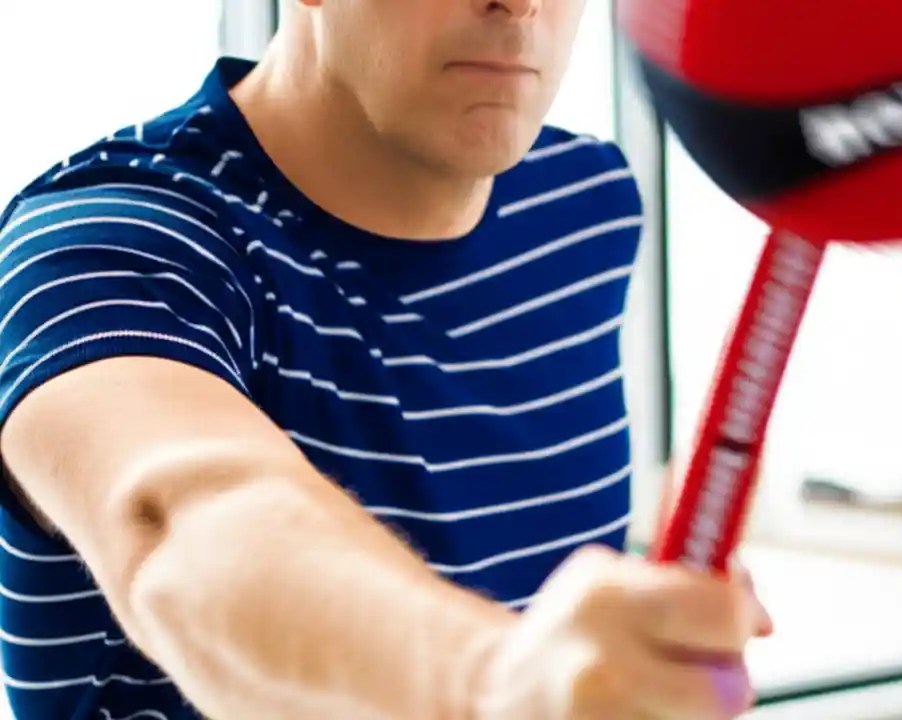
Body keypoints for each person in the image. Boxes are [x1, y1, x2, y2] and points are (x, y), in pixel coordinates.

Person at [0, 0, 773, 717]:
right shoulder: (103, 245)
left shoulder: (584, 206)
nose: (519, 2)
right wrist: (496, 682)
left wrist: (635, 638)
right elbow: (187, 526)